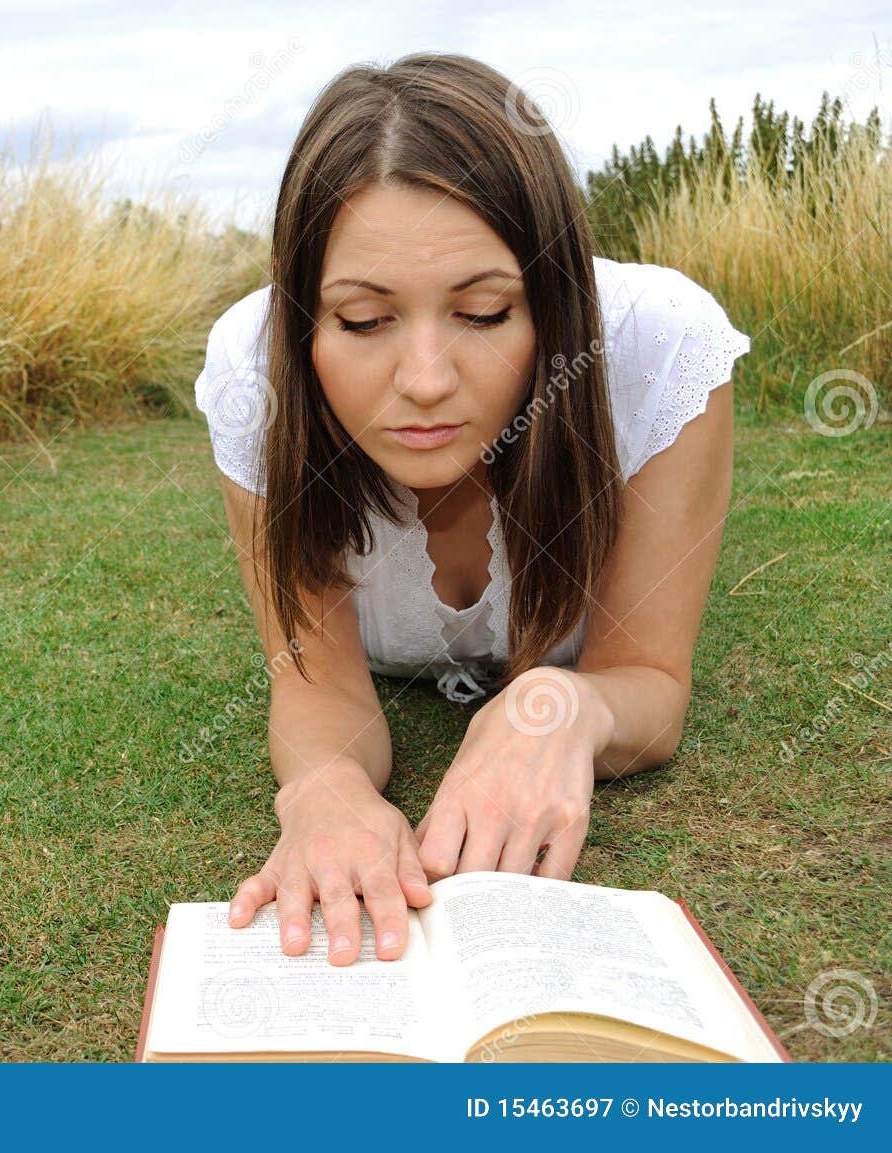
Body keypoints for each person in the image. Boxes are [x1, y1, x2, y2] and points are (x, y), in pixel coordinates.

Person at [194, 54, 752, 967]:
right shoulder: (256, 374)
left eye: (486, 313)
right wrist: (325, 790)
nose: (424, 381)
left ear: (556, 305)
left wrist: (558, 702)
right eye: (365, 322)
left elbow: (648, 677)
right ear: (304, 323)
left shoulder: (660, 346)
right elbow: (316, 682)